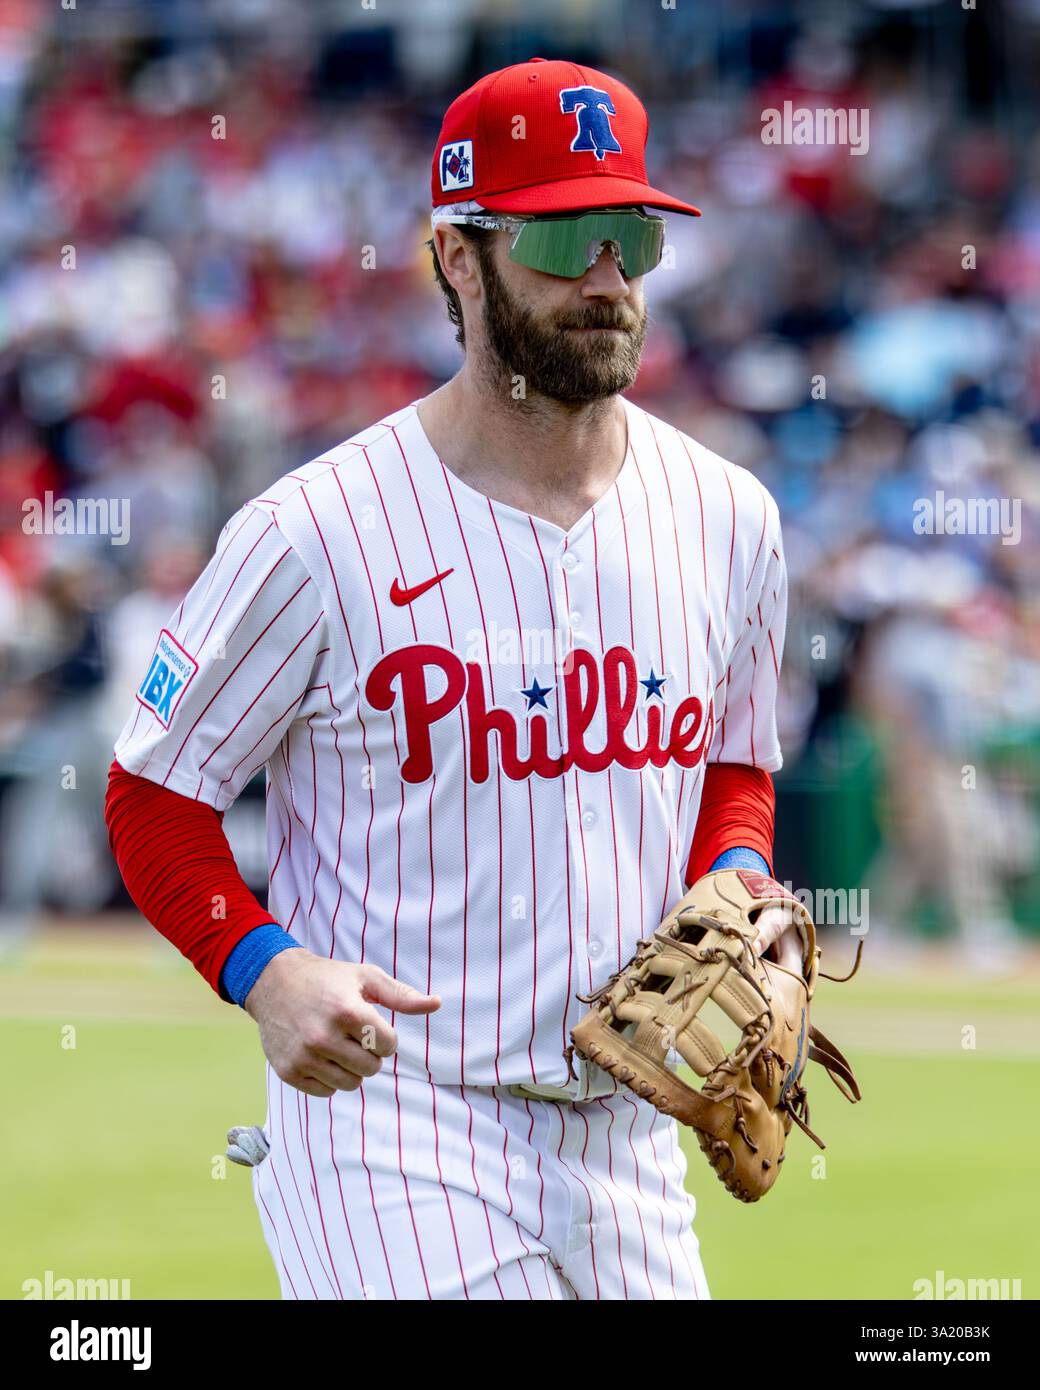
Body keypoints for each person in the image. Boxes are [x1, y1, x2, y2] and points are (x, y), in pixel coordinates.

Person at [106, 57, 800, 1301]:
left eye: (631, 235)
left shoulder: (728, 516)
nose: (605, 276)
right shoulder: (312, 533)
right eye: (562, 234)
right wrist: (264, 968)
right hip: (393, 1126)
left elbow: (735, 766)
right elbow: (155, 793)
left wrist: (739, 881)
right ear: (456, 257)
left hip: (630, 1138)